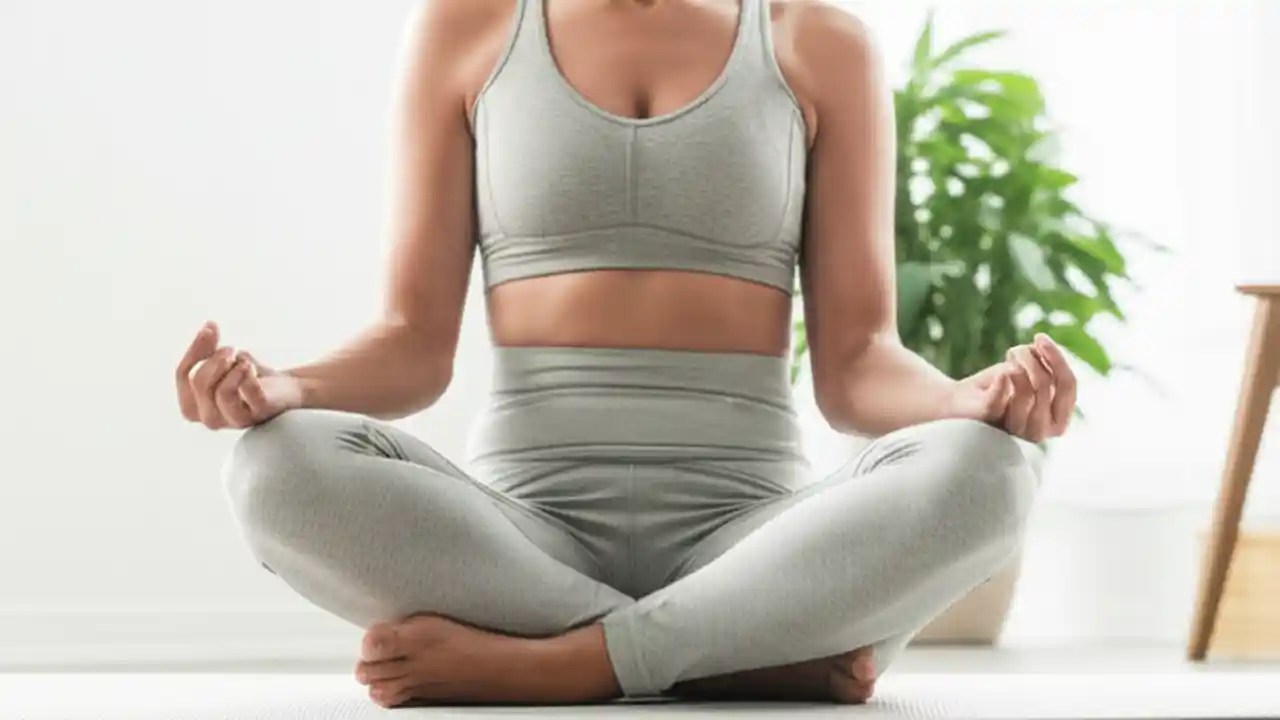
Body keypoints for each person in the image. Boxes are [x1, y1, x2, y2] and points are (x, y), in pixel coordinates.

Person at [174, 0, 1075, 708]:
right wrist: (286, 387)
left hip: (748, 537)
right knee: (273, 467)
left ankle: (569, 664)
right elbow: (413, 346)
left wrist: (969, 401)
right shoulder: (467, 26)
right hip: (523, 542)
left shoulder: (821, 41)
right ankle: (732, 654)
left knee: (993, 470)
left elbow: (860, 365)